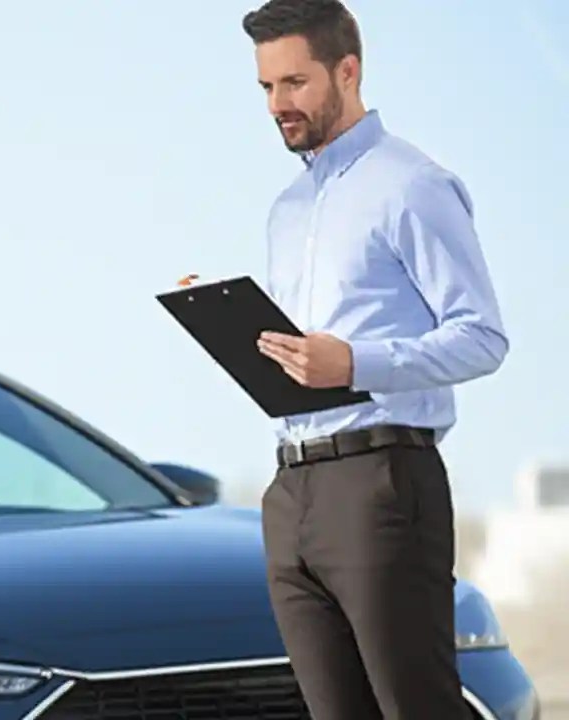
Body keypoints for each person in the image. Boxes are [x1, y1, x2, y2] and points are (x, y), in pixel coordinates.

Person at [240, 0, 509, 717]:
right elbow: (312, 350)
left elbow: (482, 336)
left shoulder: (411, 185)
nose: (278, 105)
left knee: (416, 708)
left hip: (382, 486)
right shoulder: (287, 209)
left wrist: (354, 365)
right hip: (291, 490)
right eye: (267, 88)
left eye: (294, 83)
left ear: (348, 70)